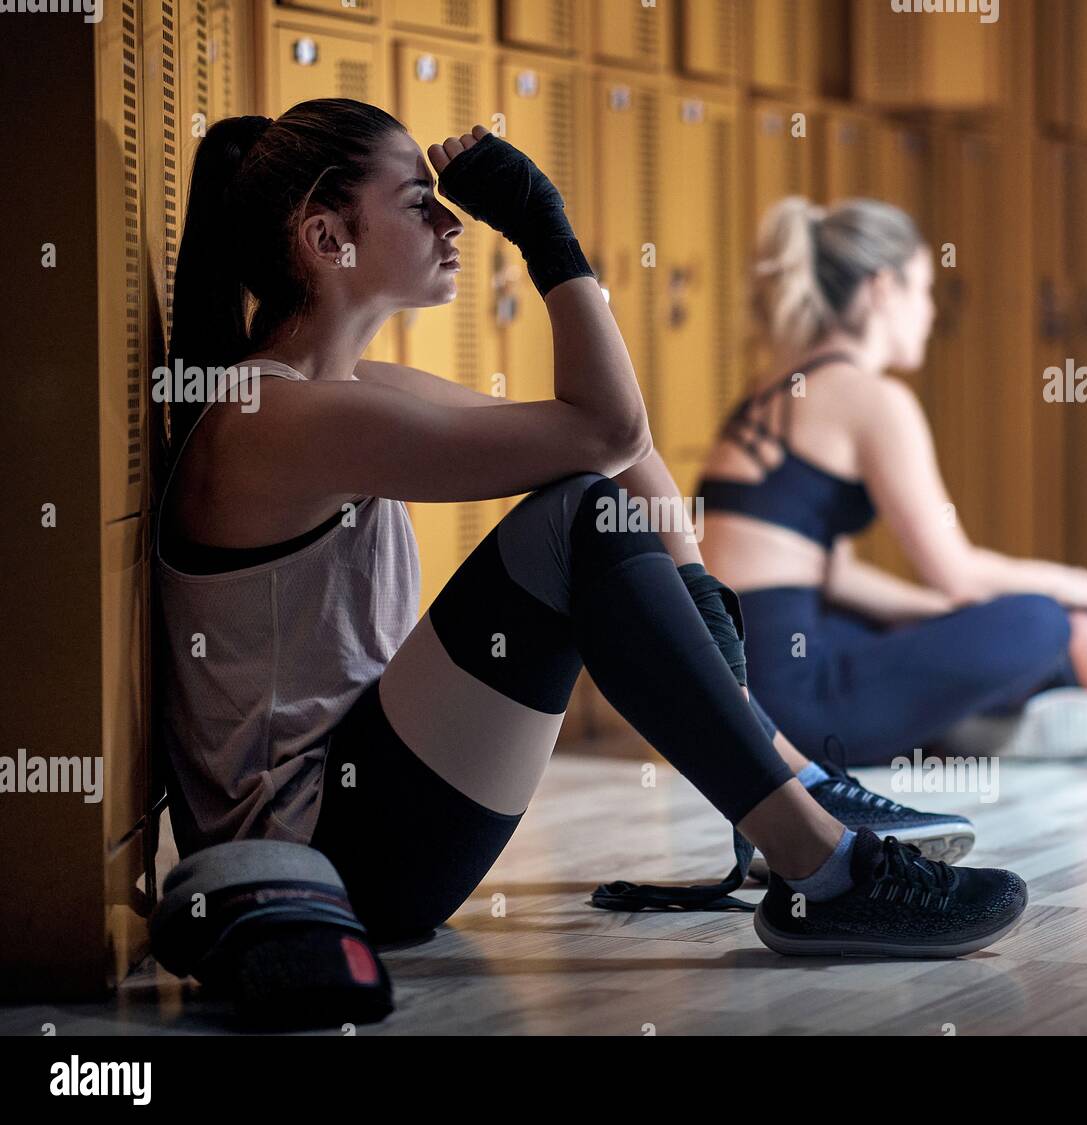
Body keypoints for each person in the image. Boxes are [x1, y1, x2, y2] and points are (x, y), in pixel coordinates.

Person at [153, 98, 1024, 959]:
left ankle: (796, 809)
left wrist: (704, 619)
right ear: (323, 238)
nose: (453, 222)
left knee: (584, 500)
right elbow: (604, 432)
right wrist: (543, 233)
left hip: (375, 827)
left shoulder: (345, 397)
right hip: (318, 869)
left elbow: (619, 445)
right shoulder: (274, 418)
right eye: (421, 203)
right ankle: (827, 866)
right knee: (575, 517)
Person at [697, 196, 1087, 766]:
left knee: (893, 623)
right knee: (1040, 621)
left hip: (732, 699)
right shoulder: (873, 399)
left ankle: (959, 729)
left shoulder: (773, 389)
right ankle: (969, 732)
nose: (932, 312)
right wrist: (1071, 583)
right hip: (794, 711)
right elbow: (956, 572)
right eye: (926, 289)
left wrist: (941, 621)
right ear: (884, 288)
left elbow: (835, 574)